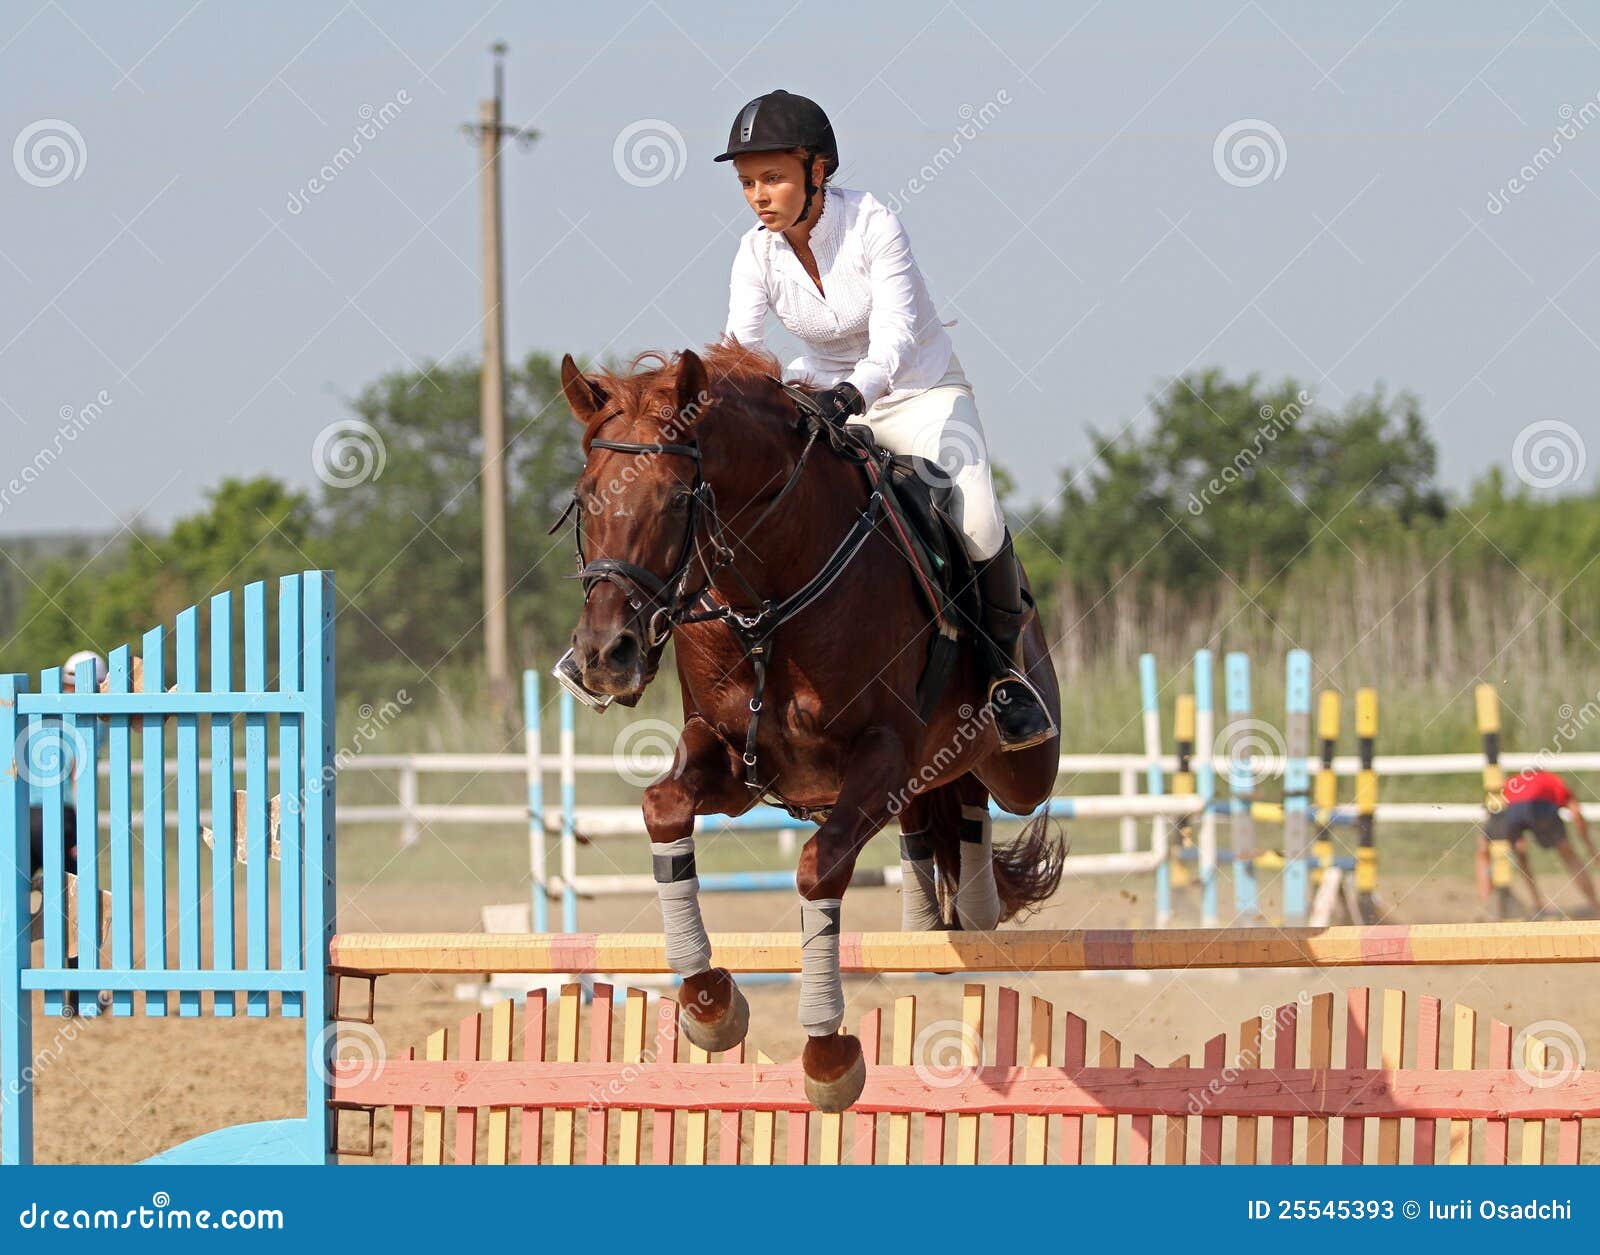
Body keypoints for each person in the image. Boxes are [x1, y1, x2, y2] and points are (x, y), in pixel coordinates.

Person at [714, 89, 1056, 752]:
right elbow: (742, 344)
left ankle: (1000, 677)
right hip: (822, 396)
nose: (759, 195)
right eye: (748, 182)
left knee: (979, 516)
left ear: (818, 172)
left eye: (774, 178)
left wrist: (856, 390)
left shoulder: (874, 224)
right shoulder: (754, 252)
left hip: (920, 393)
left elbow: (895, 336)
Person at [1481, 768, 1598, 918]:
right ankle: (1596, 905)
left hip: (1510, 811)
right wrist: (1590, 847)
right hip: (1541, 806)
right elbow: (1575, 813)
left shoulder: (1514, 781)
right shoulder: (1553, 779)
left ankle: (1533, 905)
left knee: (1510, 853)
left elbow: (1494, 808)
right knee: (1568, 855)